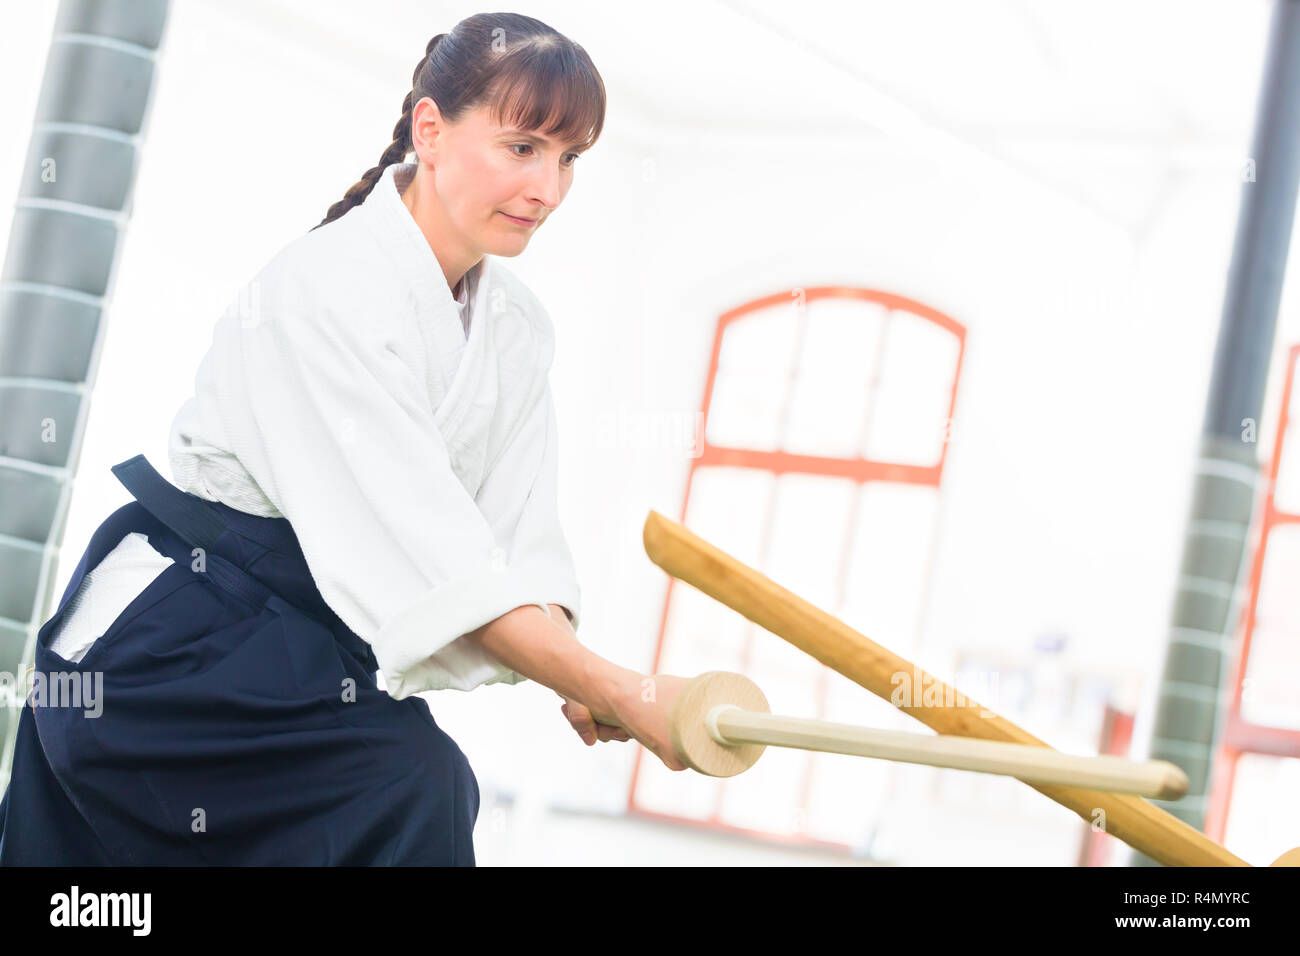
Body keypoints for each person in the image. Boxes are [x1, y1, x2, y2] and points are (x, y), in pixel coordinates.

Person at [0, 12, 686, 867]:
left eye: (569, 158)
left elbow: (512, 548)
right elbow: (436, 562)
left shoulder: (518, 331)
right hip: (176, 649)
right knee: (413, 790)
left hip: (305, 655)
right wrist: (606, 682)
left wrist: (583, 675)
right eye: (523, 149)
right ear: (430, 130)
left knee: (416, 790)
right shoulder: (329, 291)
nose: (548, 188)